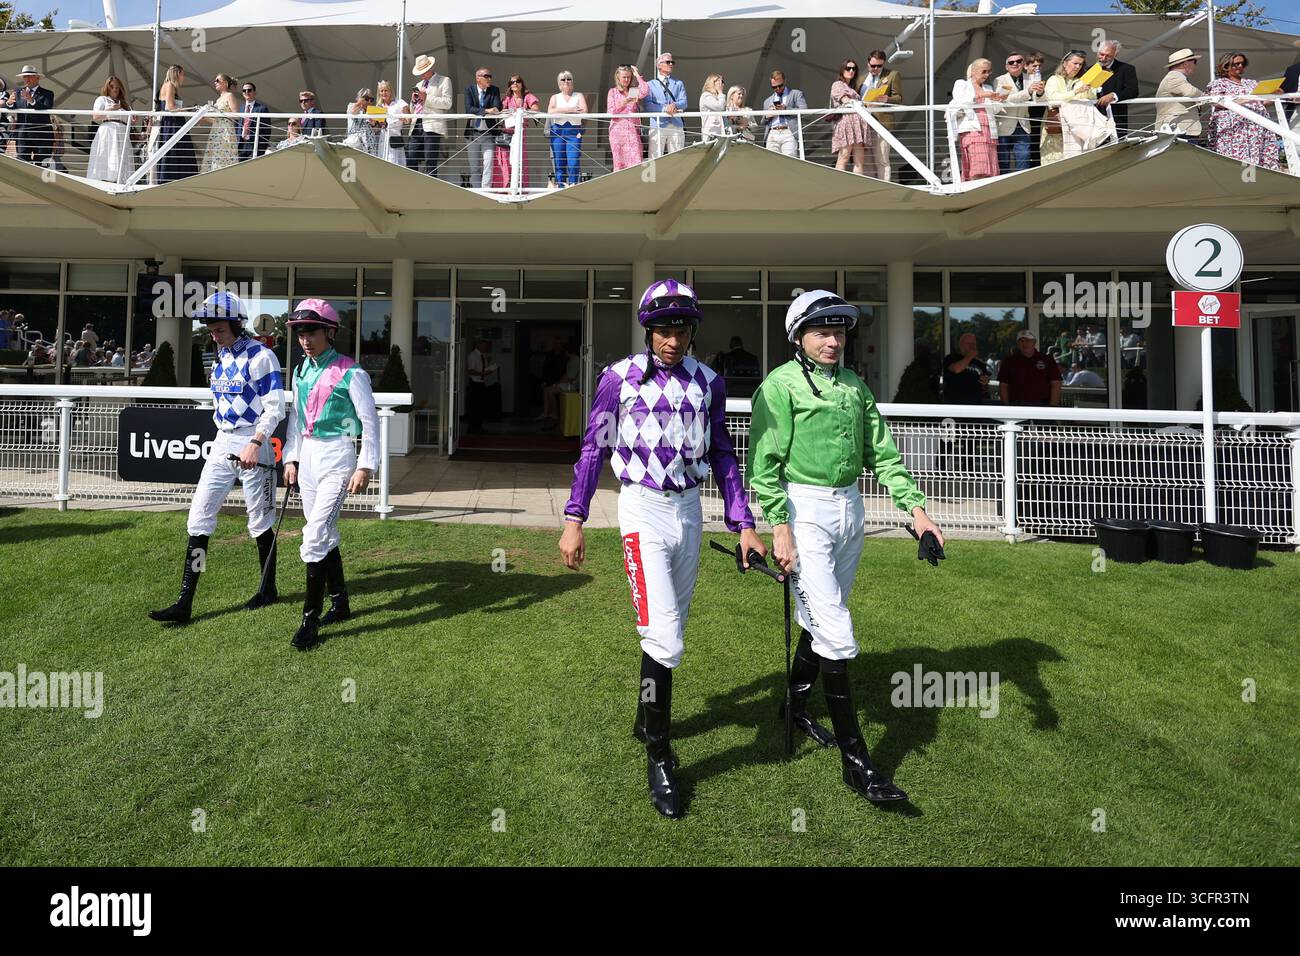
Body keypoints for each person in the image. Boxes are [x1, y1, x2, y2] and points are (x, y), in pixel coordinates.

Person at [559, 279, 762, 820]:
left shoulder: (710, 383)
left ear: (693, 331)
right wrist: (574, 518)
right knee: (665, 633)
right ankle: (660, 755)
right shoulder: (616, 378)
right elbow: (593, 447)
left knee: (671, 629)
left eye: (681, 329)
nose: (672, 339)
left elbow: (722, 452)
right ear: (648, 330)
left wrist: (743, 523)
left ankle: (645, 716)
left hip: (690, 510)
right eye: (663, 329)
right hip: (641, 508)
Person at [748, 290, 944, 805]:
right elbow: (764, 462)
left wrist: (917, 512)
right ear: (798, 337)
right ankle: (857, 763)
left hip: (849, 511)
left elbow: (883, 454)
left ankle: (793, 704)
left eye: (839, 332)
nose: (833, 341)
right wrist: (779, 526)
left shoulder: (855, 387)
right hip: (804, 511)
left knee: (821, 619)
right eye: (821, 332)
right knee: (835, 629)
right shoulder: (780, 386)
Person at [148, 291, 285, 625]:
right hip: (223, 442)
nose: (213, 333)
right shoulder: (220, 356)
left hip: (254, 441)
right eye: (209, 328)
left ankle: (268, 589)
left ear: (237, 324)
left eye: (219, 327)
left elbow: (275, 408)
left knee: (260, 519)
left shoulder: (261, 356)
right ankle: (186, 600)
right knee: (199, 517)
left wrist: (255, 442)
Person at [281, 299, 380, 651]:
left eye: (311, 331)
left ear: (330, 331)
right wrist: (290, 458)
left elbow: (369, 422)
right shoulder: (300, 370)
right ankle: (340, 603)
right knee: (325, 532)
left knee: (314, 534)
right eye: (299, 332)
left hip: (337, 455)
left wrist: (365, 465)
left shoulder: (352, 372)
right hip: (307, 454)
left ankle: (310, 619)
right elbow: (295, 419)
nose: (304, 338)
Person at [1206, 52, 1279, 170]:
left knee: (1261, 158)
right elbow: (1216, 102)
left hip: (1257, 127)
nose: (1240, 66)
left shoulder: (1251, 83)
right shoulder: (1218, 83)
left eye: (1242, 64)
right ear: (1226, 66)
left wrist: (1274, 96)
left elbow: (1262, 103)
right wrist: (1245, 100)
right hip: (1235, 129)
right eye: (1236, 64)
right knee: (1235, 161)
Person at [1043, 50, 1107, 165]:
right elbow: (1053, 98)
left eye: (1080, 64)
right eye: (1075, 63)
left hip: (1078, 129)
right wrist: (1076, 92)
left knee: (1078, 163)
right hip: (1058, 128)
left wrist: (1092, 87)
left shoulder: (1081, 80)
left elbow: (1088, 99)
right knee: (1055, 163)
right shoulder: (1054, 79)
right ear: (1065, 63)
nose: (1078, 67)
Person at [951, 58, 1004, 181]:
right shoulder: (962, 84)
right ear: (974, 71)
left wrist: (999, 100)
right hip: (972, 130)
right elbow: (960, 101)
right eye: (984, 71)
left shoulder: (988, 88)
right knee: (979, 166)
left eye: (989, 72)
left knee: (990, 168)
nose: (986, 75)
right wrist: (981, 95)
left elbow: (994, 111)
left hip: (989, 131)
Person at [994, 53, 1043, 173]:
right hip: (1004, 125)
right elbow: (1005, 99)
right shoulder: (1000, 80)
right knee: (1003, 161)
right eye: (1011, 62)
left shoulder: (1031, 78)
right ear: (1007, 66)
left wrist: (1041, 93)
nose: (1015, 63)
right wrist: (1028, 92)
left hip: (1023, 125)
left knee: (1024, 159)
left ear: (1023, 64)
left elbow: (1037, 100)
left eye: (1018, 61)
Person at [858, 50, 902, 180]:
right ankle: (870, 189)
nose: (876, 68)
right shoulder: (861, 78)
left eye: (879, 66)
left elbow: (898, 98)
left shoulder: (893, 75)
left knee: (882, 158)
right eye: (873, 66)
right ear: (868, 64)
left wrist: (886, 99)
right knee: (865, 160)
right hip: (863, 123)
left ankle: (884, 185)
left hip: (881, 124)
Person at [153, 65, 199, 183]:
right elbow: (170, 107)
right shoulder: (169, 85)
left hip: (173, 122)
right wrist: (189, 109)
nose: (184, 77)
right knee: (175, 149)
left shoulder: (169, 86)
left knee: (177, 150)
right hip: (172, 123)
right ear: (177, 74)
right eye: (183, 74)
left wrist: (187, 109)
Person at [493, 74, 540, 189]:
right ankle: (504, 188)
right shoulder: (507, 98)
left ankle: (519, 188)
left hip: (519, 134)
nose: (514, 84)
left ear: (522, 83)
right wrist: (509, 111)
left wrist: (521, 110)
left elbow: (536, 109)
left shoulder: (527, 96)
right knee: (504, 161)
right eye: (512, 82)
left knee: (519, 160)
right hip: (506, 133)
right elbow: (501, 111)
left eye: (517, 81)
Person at [87, 75, 136, 185]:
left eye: (117, 87)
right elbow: (95, 117)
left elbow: (130, 121)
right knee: (108, 158)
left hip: (122, 132)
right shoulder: (102, 99)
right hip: (108, 131)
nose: (115, 89)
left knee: (121, 159)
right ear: (107, 88)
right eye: (112, 87)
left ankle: (121, 181)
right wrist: (110, 109)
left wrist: (132, 119)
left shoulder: (124, 104)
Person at [411, 54, 453, 177]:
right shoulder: (419, 84)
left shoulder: (444, 80)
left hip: (433, 124)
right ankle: (413, 185)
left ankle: (430, 188)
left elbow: (447, 103)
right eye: (420, 72)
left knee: (430, 159)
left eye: (423, 71)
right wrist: (413, 101)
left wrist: (427, 98)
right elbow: (414, 107)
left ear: (430, 68)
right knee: (411, 155)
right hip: (417, 124)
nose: (421, 74)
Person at [998, 329, 1061, 406]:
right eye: (1021, 341)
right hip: (1016, 405)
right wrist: (1006, 406)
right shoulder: (1009, 361)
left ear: (1034, 342)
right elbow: (1003, 385)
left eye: (1028, 340)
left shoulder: (1047, 360)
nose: (1024, 343)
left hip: (1042, 405)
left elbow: (1056, 383)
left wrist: (1052, 407)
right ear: (1017, 343)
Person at [830, 59, 871, 174]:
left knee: (860, 159)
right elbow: (845, 100)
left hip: (859, 124)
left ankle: (857, 186)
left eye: (854, 69)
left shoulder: (853, 88)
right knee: (844, 156)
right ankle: (838, 186)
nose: (851, 71)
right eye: (848, 68)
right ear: (842, 70)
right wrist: (858, 103)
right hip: (846, 123)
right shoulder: (837, 84)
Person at [9, 65, 55, 167]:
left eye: (29, 76)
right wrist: (9, 103)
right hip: (22, 135)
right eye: (25, 76)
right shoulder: (17, 92)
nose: (27, 79)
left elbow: (46, 107)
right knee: (22, 164)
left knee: (42, 165)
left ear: (37, 78)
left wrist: (31, 100)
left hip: (42, 135)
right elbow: (8, 107)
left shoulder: (47, 94)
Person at [546, 70, 586, 187]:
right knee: (559, 161)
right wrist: (571, 109)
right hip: (557, 130)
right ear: (559, 82)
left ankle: (573, 184)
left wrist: (561, 110)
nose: (566, 81)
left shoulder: (578, 95)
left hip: (574, 132)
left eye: (569, 79)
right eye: (563, 79)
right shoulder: (555, 97)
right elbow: (551, 111)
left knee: (573, 160)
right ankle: (560, 185)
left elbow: (584, 111)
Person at [644, 51, 687, 159]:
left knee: (677, 158)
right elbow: (648, 105)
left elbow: (684, 102)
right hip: (658, 124)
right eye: (668, 62)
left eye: (672, 62)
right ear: (659, 65)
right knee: (655, 158)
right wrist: (664, 109)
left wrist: (675, 105)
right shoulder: (650, 84)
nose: (671, 64)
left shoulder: (679, 83)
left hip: (676, 124)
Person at [464, 67, 502, 189]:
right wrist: (486, 110)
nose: (489, 78)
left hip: (488, 133)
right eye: (486, 76)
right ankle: (476, 191)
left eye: (490, 76)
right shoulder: (469, 89)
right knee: (474, 166)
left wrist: (488, 110)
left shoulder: (494, 90)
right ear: (478, 78)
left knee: (488, 163)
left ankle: (486, 190)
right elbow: (469, 109)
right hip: (472, 134)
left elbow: (497, 107)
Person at [607, 64, 649, 172]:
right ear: (618, 78)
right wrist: (622, 103)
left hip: (633, 133)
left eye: (629, 77)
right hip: (618, 134)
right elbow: (610, 111)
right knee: (620, 164)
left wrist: (637, 75)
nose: (626, 80)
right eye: (624, 77)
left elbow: (645, 91)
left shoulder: (632, 91)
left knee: (636, 162)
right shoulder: (613, 92)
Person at [1155, 49, 1203, 141]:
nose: (1195, 65)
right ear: (1186, 64)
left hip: (1180, 129)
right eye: (1194, 62)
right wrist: (1207, 96)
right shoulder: (1174, 77)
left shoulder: (1176, 77)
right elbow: (1191, 92)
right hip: (1178, 129)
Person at [1094, 41, 1137, 137]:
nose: (1103, 58)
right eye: (1101, 54)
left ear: (1115, 55)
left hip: (1116, 120)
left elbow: (1133, 91)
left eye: (1108, 56)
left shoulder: (1126, 69)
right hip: (1093, 121)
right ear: (1097, 52)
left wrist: (1113, 96)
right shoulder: (1089, 70)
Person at [762, 70, 807, 158]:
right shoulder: (767, 101)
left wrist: (786, 109)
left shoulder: (796, 94)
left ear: (785, 81)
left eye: (780, 85)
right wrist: (768, 116)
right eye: (774, 87)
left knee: (790, 161)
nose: (778, 89)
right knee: (771, 162)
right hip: (772, 133)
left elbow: (804, 111)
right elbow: (762, 122)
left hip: (789, 131)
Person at [201, 73, 240, 171]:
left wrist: (221, 114)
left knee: (224, 158)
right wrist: (204, 118)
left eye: (217, 80)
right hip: (216, 132)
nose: (215, 83)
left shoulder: (229, 95)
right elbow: (216, 120)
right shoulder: (218, 100)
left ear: (225, 83)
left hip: (226, 132)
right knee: (215, 159)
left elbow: (236, 115)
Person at [943, 332, 989, 404]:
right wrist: (970, 356)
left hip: (975, 404)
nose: (972, 346)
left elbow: (984, 389)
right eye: (968, 343)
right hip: (955, 404)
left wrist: (985, 384)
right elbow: (956, 369)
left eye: (974, 344)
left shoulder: (980, 364)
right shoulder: (951, 358)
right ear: (961, 345)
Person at [465, 337, 499, 432]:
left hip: (481, 383)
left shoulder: (482, 355)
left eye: (486, 346)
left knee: (481, 406)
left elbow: (482, 368)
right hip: (475, 384)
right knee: (474, 407)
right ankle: (472, 427)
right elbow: (471, 371)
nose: (485, 347)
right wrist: (482, 374)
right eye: (484, 345)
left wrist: (488, 368)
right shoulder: (472, 356)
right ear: (478, 345)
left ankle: (478, 427)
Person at [377, 80, 409, 167]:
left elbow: (408, 119)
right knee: (383, 164)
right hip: (383, 139)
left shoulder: (399, 102)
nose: (384, 93)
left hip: (394, 138)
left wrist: (401, 117)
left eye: (386, 90)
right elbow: (377, 126)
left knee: (395, 164)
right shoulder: (379, 106)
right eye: (381, 91)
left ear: (391, 91)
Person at [1025, 52, 1048, 166]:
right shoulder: (1022, 81)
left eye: (1039, 66)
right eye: (1034, 66)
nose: (1037, 68)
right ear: (1026, 66)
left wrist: (1041, 92)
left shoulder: (1044, 82)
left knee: (1037, 145)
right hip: (1024, 118)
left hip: (1039, 118)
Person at [236, 82, 268, 161]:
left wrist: (261, 148)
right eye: (244, 90)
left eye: (249, 90)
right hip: (241, 145)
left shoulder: (262, 109)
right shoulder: (241, 109)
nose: (246, 92)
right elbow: (237, 127)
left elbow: (266, 131)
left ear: (254, 92)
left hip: (255, 145)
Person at [345, 88, 381, 156]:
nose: (369, 102)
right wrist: (360, 102)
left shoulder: (370, 111)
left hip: (369, 145)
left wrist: (374, 124)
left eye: (371, 99)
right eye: (367, 98)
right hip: (356, 144)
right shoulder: (352, 105)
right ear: (360, 98)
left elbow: (376, 130)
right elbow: (352, 111)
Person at [699, 74, 726, 142]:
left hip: (719, 133)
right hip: (711, 133)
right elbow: (720, 107)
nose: (722, 84)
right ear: (712, 82)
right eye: (720, 81)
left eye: (722, 82)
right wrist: (720, 92)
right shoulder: (706, 96)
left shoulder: (718, 97)